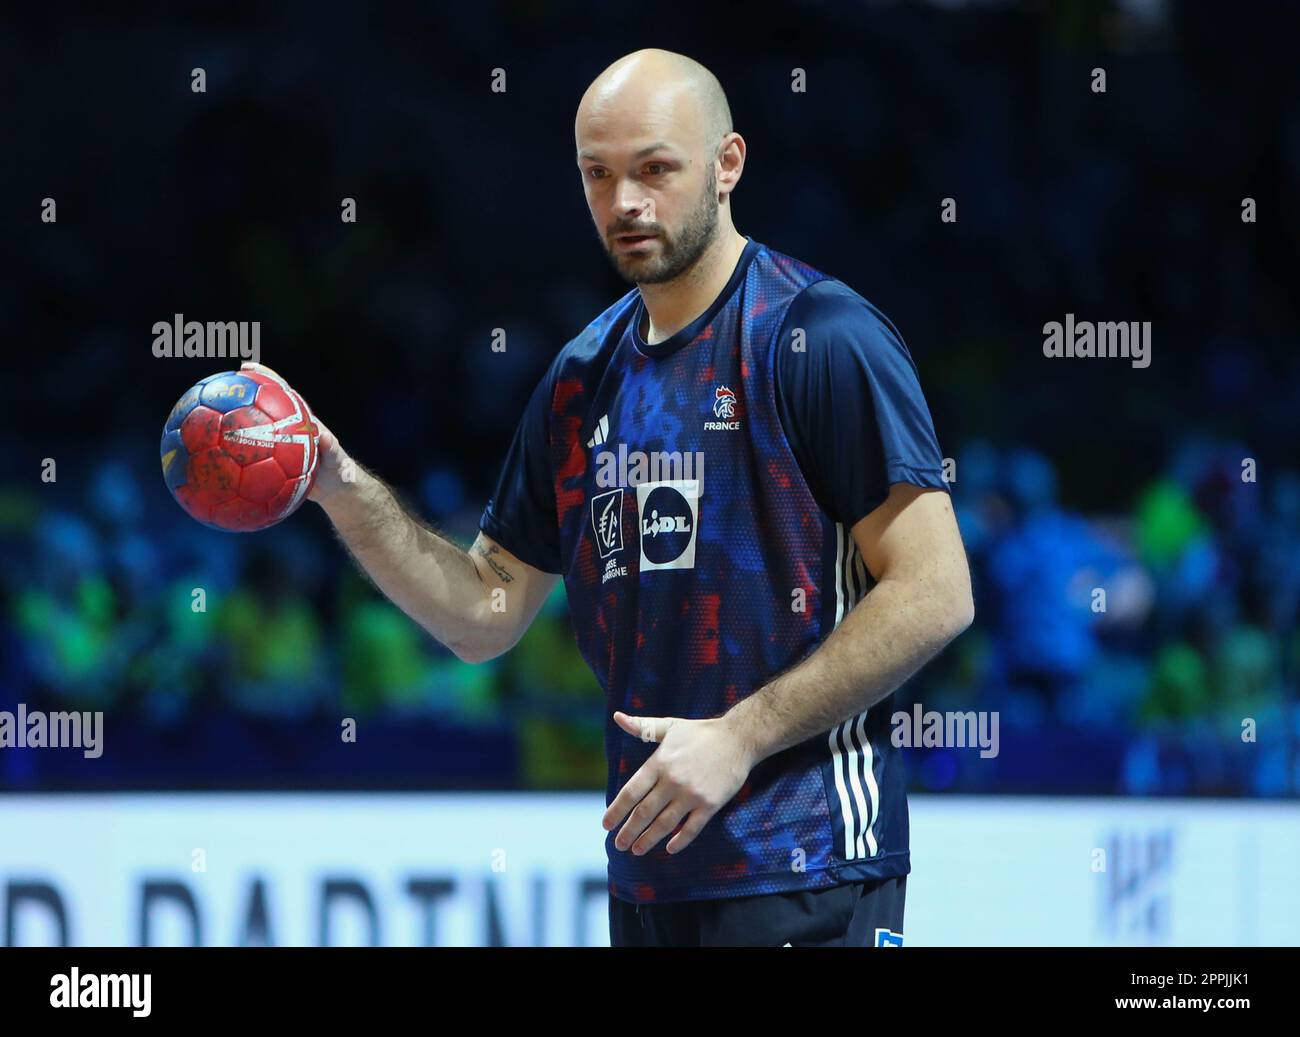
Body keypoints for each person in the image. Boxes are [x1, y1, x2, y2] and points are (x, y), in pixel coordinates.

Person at [250, 47, 973, 947]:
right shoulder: (581, 376)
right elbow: (484, 614)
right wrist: (341, 486)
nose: (625, 201)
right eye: (599, 174)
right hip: (649, 878)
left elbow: (936, 591)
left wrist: (740, 736)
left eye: (656, 169)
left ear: (728, 163)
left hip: (811, 861)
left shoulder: (818, 336)